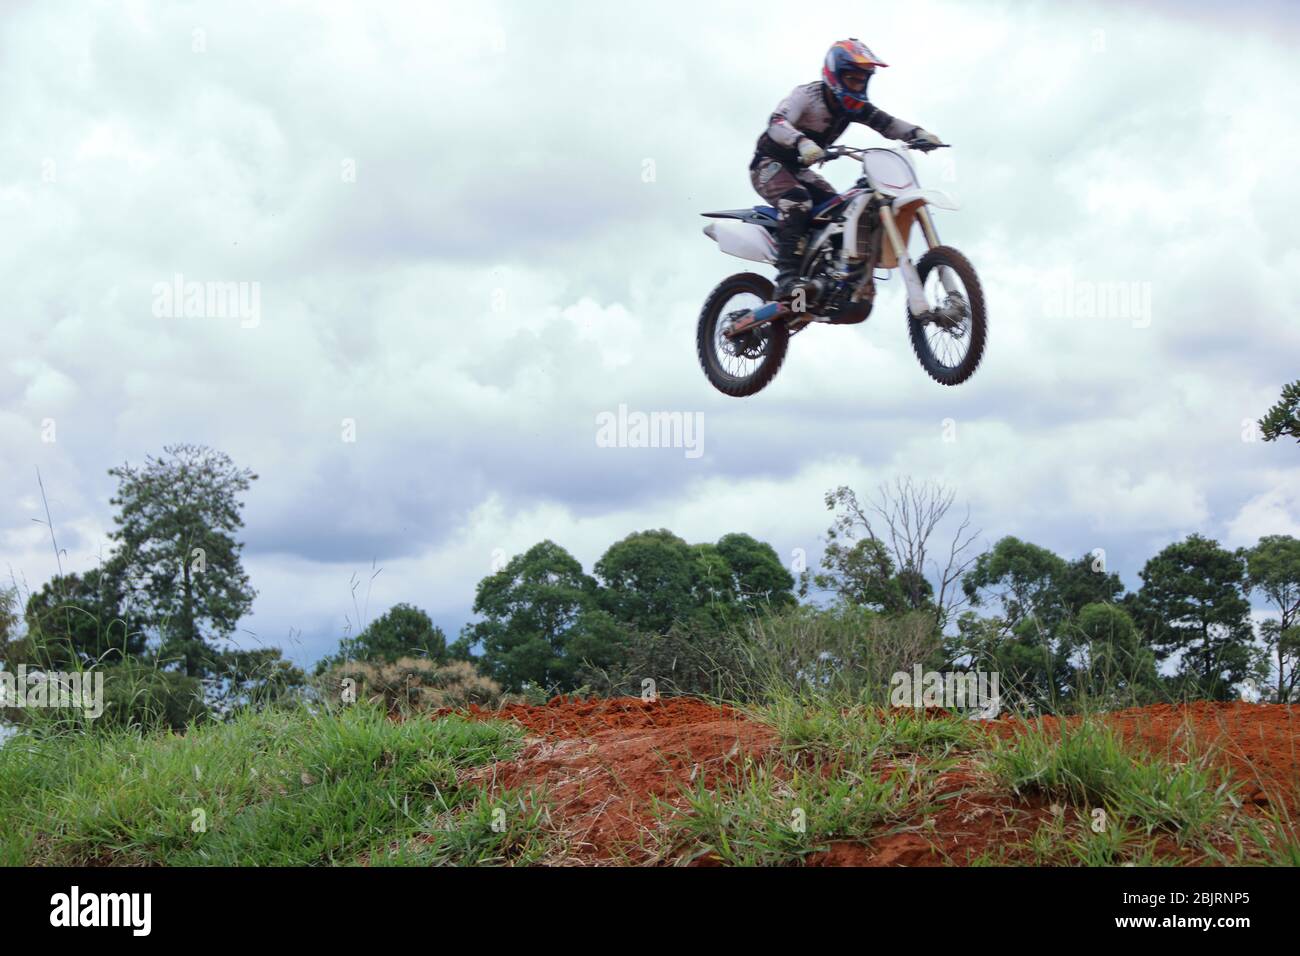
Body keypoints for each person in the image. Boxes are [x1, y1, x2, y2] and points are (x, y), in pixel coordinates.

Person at [752, 38, 943, 299]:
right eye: (852, 79)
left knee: (839, 211)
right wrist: (801, 142)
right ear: (835, 75)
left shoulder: (854, 108)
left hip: (800, 170)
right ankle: (787, 279)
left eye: (862, 80)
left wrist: (918, 133)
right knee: (797, 201)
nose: (858, 85)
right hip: (769, 164)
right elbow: (776, 123)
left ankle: (826, 275)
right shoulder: (807, 96)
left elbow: (887, 124)